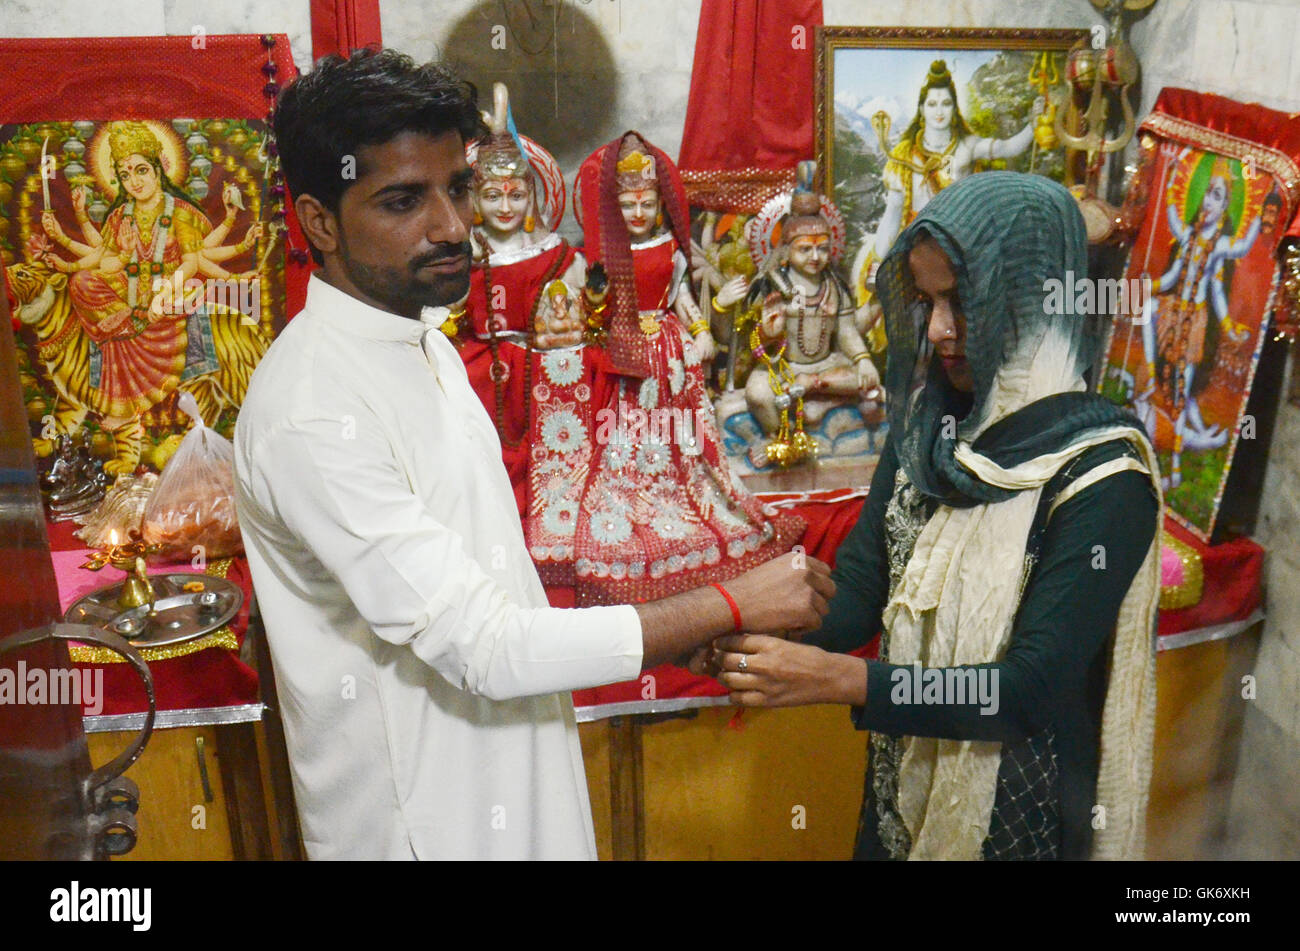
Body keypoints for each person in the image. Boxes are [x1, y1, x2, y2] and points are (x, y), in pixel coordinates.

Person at [233, 49, 833, 860]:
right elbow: (483, 645)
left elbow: (492, 585)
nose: (452, 226)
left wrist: (666, 629)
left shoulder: (424, 341)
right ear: (319, 221)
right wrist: (730, 602)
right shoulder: (311, 411)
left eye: (459, 187)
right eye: (403, 200)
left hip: (515, 784)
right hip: (424, 824)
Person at [705, 172, 1163, 860]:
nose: (942, 330)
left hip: (1016, 818)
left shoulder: (1104, 477)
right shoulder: (934, 425)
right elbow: (863, 588)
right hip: (909, 788)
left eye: (965, 300)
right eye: (927, 301)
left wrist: (839, 680)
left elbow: (1023, 692)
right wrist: (731, 632)